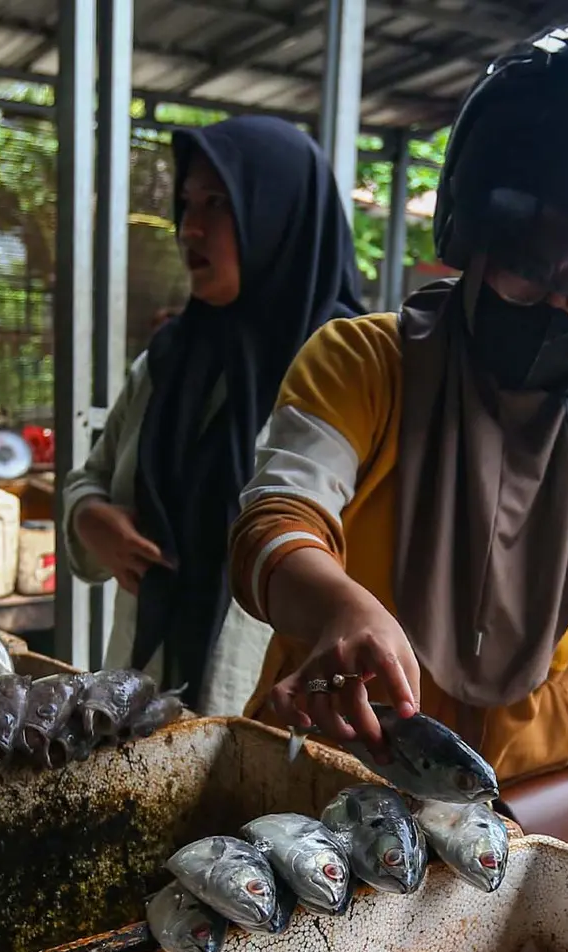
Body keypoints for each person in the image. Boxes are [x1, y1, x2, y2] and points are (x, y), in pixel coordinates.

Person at [223, 21, 568, 869]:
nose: (559, 307)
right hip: (327, 800)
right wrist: (338, 607)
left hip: (517, 827)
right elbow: (273, 525)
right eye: (531, 264)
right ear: (478, 229)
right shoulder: (364, 365)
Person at [60, 118, 363, 716]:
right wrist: (89, 517)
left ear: (278, 214)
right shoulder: (168, 363)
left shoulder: (348, 376)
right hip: (138, 700)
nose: (190, 227)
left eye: (218, 202)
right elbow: (89, 475)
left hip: (272, 713)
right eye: (186, 203)